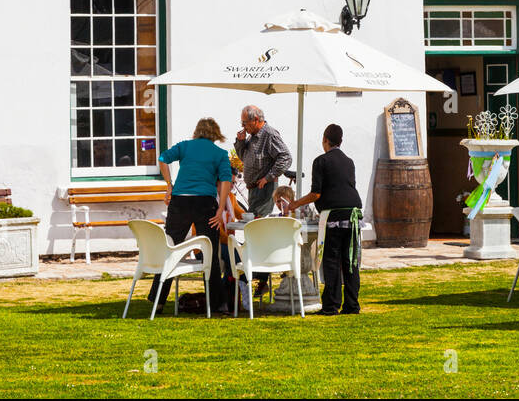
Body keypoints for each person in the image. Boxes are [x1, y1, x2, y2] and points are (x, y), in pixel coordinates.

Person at [148, 117, 233, 315]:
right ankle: (218, 305)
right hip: (205, 202)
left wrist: (169, 185)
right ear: (215, 134)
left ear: (197, 131)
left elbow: (162, 159)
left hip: (180, 201)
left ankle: (158, 301)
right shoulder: (220, 153)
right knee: (210, 252)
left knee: (170, 249)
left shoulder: (185, 146)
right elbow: (226, 181)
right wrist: (221, 209)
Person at [283, 123, 362, 315]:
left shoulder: (321, 161)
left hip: (334, 215)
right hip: (353, 213)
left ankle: (331, 305)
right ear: (340, 141)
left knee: (332, 260)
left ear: (325, 140)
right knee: (350, 260)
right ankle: (352, 304)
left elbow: (316, 194)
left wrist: (294, 204)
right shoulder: (349, 161)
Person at [235, 105, 293, 297]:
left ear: (256, 120)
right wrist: (240, 142)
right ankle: (260, 278)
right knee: (255, 234)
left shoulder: (269, 134)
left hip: (265, 191)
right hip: (254, 192)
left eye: (245, 122)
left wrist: (268, 177)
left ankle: (261, 278)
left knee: (259, 232)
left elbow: (285, 157)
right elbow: (245, 158)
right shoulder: (252, 136)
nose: (243, 125)